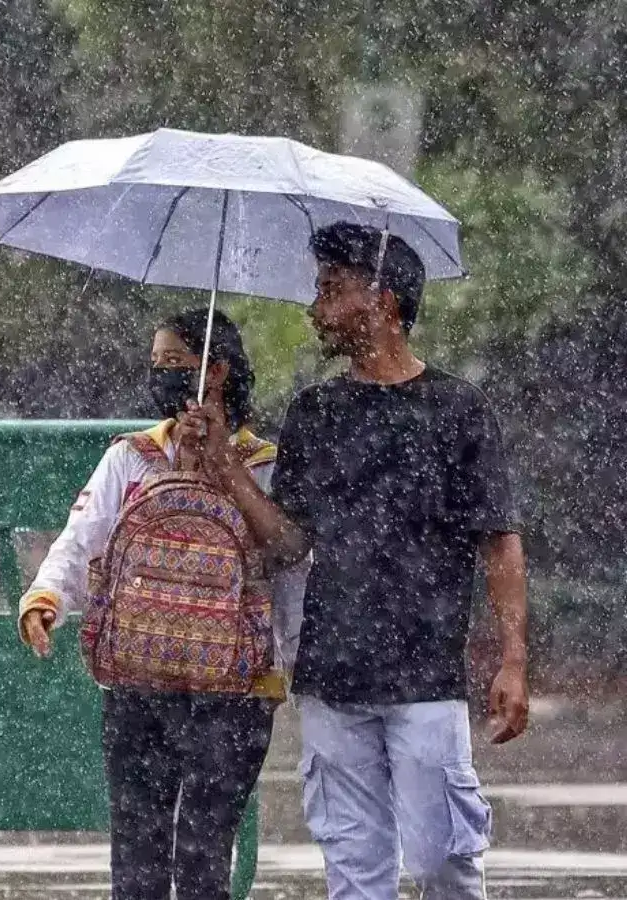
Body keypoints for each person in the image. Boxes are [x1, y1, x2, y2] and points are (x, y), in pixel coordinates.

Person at [179, 222, 528, 900]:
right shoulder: (316, 413)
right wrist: (226, 464)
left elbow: (499, 539)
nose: (315, 309)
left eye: (331, 291)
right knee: (354, 871)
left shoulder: (458, 410)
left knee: (444, 859)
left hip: (426, 674)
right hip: (334, 673)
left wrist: (513, 657)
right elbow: (287, 544)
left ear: (385, 304)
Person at [18, 308, 303, 900]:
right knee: (138, 855)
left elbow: (289, 559)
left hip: (237, 690)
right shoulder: (131, 457)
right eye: (158, 365)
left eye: (176, 363)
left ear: (216, 371)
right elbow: (82, 538)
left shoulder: (266, 465)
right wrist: (46, 596)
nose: (163, 376)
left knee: (205, 856)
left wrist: (223, 465)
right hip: (140, 679)